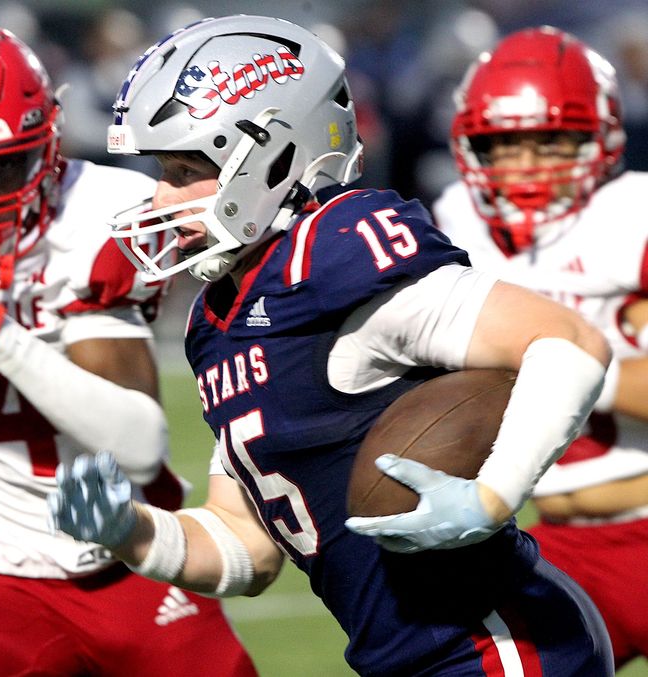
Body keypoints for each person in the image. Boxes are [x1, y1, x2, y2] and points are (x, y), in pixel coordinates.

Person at [49, 15, 616, 676]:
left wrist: (490, 497)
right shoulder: (217, 321)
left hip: (494, 646)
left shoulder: (336, 250)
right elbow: (245, 545)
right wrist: (131, 531)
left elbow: (569, 342)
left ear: (272, 155)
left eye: (183, 169)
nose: (160, 195)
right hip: (404, 660)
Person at [0, 18, 257, 676]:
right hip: (6, 580)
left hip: (140, 557)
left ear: (49, 143)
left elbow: (137, 436)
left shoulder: (99, 215)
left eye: (5, 164)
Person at [432, 26, 648, 671]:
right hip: (550, 538)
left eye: (551, 140)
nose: (527, 166)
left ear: (600, 138)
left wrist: (563, 368)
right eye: (505, 144)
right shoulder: (455, 222)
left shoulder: (631, 215)